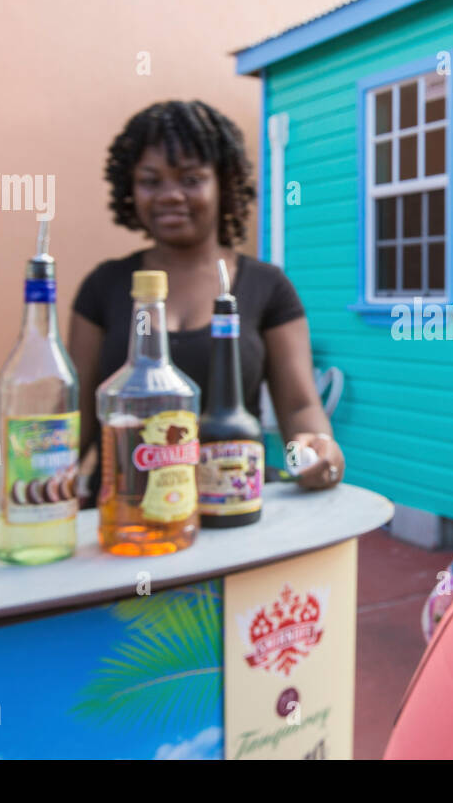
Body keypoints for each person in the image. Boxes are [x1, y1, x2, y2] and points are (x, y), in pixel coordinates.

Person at [69, 100, 345, 503]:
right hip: (125, 520)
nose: (170, 195)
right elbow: (77, 419)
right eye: (151, 180)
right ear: (130, 188)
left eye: (191, 179)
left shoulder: (268, 287)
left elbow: (300, 405)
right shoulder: (104, 286)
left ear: (224, 183)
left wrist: (316, 448)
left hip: (231, 511)